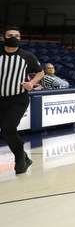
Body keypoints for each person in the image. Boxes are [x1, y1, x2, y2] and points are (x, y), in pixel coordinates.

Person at [1, 27, 43, 174]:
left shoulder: (27, 56)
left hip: (18, 98)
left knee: (7, 128)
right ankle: (23, 155)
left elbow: (40, 72)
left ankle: (19, 156)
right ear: (3, 38)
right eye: (10, 35)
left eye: (16, 36)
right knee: (6, 131)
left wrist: (31, 83)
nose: (14, 37)